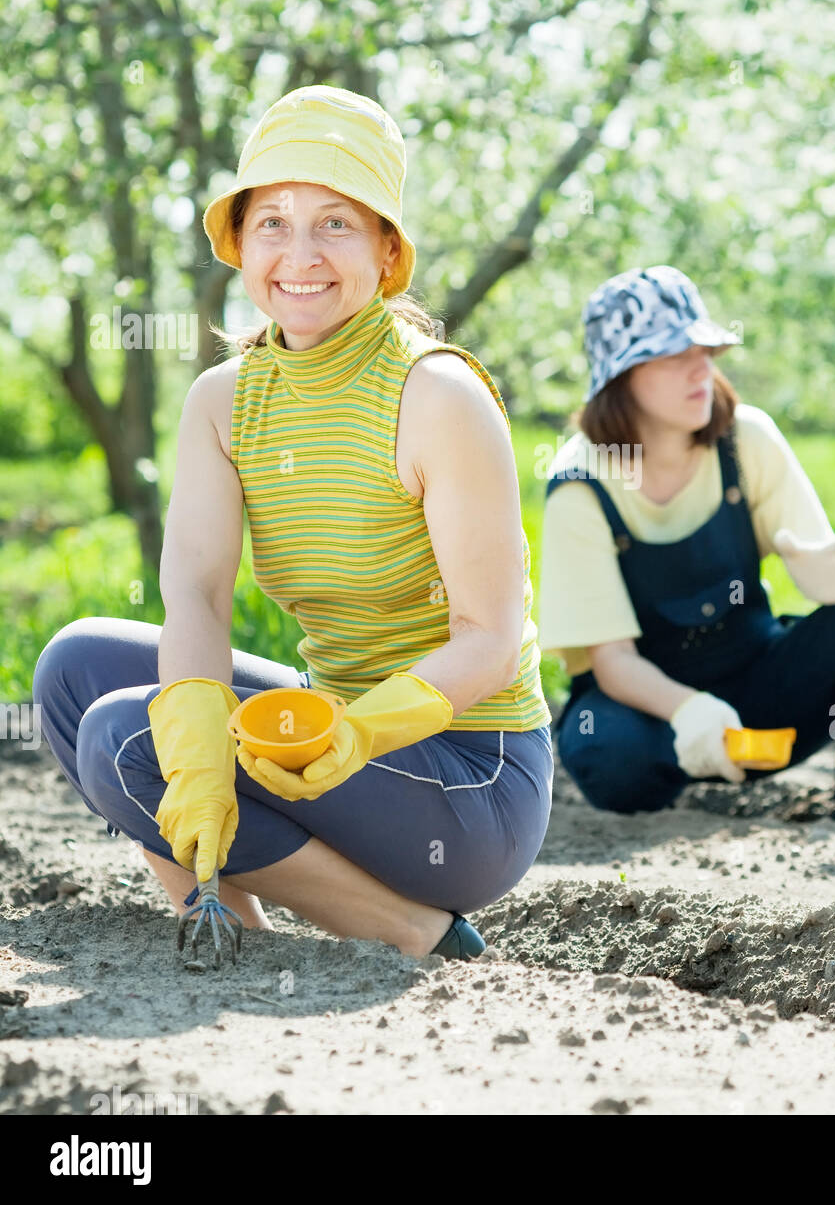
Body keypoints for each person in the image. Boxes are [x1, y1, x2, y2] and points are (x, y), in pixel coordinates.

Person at [33, 84, 552, 960]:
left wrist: (357, 731)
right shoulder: (223, 402)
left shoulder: (438, 397)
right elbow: (194, 595)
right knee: (76, 670)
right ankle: (224, 922)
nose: (299, 254)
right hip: (330, 725)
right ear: (239, 242)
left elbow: (489, 636)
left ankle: (410, 930)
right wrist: (198, 748)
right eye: (272, 221)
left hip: (470, 778)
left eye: (335, 224)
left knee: (124, 739)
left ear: (387, 250)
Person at [538, 266, 835, 829]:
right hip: (650, 714)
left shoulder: (747, 439)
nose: (701, 368)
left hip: (760, 691)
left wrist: (818, 575)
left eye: (705, 349)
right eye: (674, 355)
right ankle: (665, 793)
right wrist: (691, 712)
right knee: (607, 751)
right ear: (620, 375)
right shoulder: (579, 484)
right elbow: (612, 664)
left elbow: (814, 552)